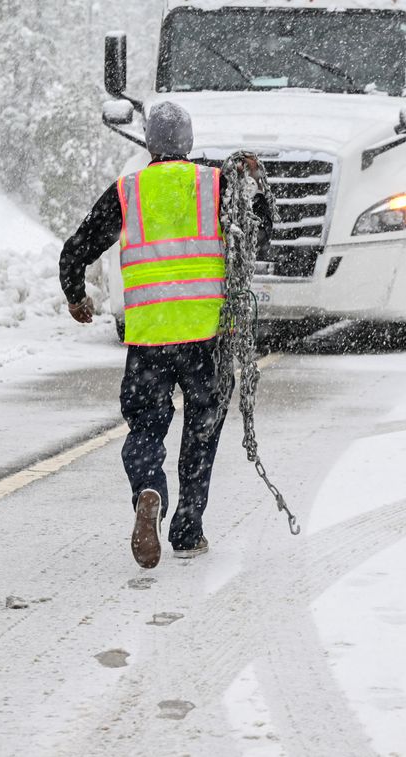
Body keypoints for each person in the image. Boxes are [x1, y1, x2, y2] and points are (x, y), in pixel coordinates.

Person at [59, 101, 271, 569]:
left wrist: (76, 296)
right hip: (207, 338)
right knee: (201, 432)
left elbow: (76, 249)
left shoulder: (128, 191)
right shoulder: (217, 184)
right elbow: (260, 236)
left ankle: (148, 490)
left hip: (149, 340)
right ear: (189, 144)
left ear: (151, 145)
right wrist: (254, 184)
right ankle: (189, 530)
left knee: (146, 427)